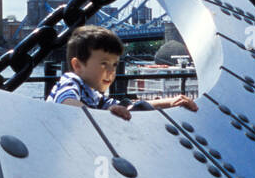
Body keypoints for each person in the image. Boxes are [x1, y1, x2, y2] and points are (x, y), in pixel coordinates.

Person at [48, 24, 197, 119]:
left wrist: (171, 101)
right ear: (78, 65)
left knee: (138, 107)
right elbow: (66, 104)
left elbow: (127, 106)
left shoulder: (93, 94)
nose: (111, 71)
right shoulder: (70, 81)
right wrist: (107, 116)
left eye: (114, 65)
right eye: (103, 64)